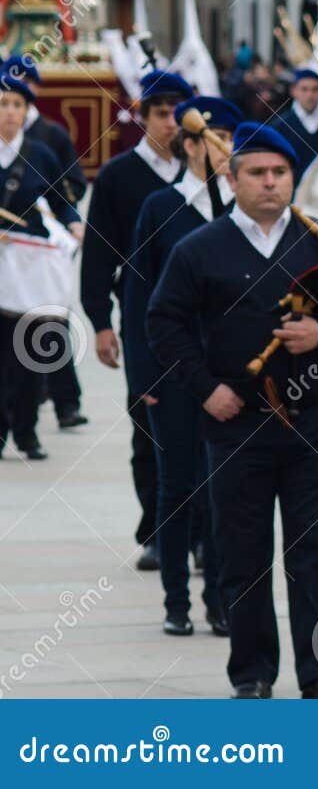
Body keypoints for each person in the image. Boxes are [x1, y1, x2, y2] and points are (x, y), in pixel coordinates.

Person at [146, 122, 318, 699]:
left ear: (293, 179)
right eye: (256, 173)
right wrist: (204, 386)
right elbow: (163, 324)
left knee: (314, 555)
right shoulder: (200, 248)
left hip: (310, 426)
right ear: (231, 179)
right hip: (234, 426)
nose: (269, 183)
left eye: (279, 173)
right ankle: (253, 672)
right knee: (243, 554)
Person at [123, 96, 240, 637]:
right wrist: (143, 376)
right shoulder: (160, 207)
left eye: (230, 145)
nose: (223, 154)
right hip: (171, 374)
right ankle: (175, 600)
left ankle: (219, 596)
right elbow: (139, 297)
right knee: (176, 488)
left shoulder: (240, 214)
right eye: (213, 143)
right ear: (190, 145)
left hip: (230, 376)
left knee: (223, 489)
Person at [80, 69, 195, 566]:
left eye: (178, 113)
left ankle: (203, 538)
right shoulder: (119, 177)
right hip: (144, 318)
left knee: (208, 433)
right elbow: (99, 257)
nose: (172, 123)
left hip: (205, 321)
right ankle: (157, 531)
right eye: (162, 114)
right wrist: (100, 321)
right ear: (144, 118)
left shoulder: (208, 177)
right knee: (150, 427)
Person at [0, 74, 85, 461]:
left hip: (30, 261)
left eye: (17, 105)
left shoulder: (40, 154)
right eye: (3, 105)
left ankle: (27, 431)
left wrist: (72, 223)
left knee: (31, 352)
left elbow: (61, 198)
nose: (11, 113)